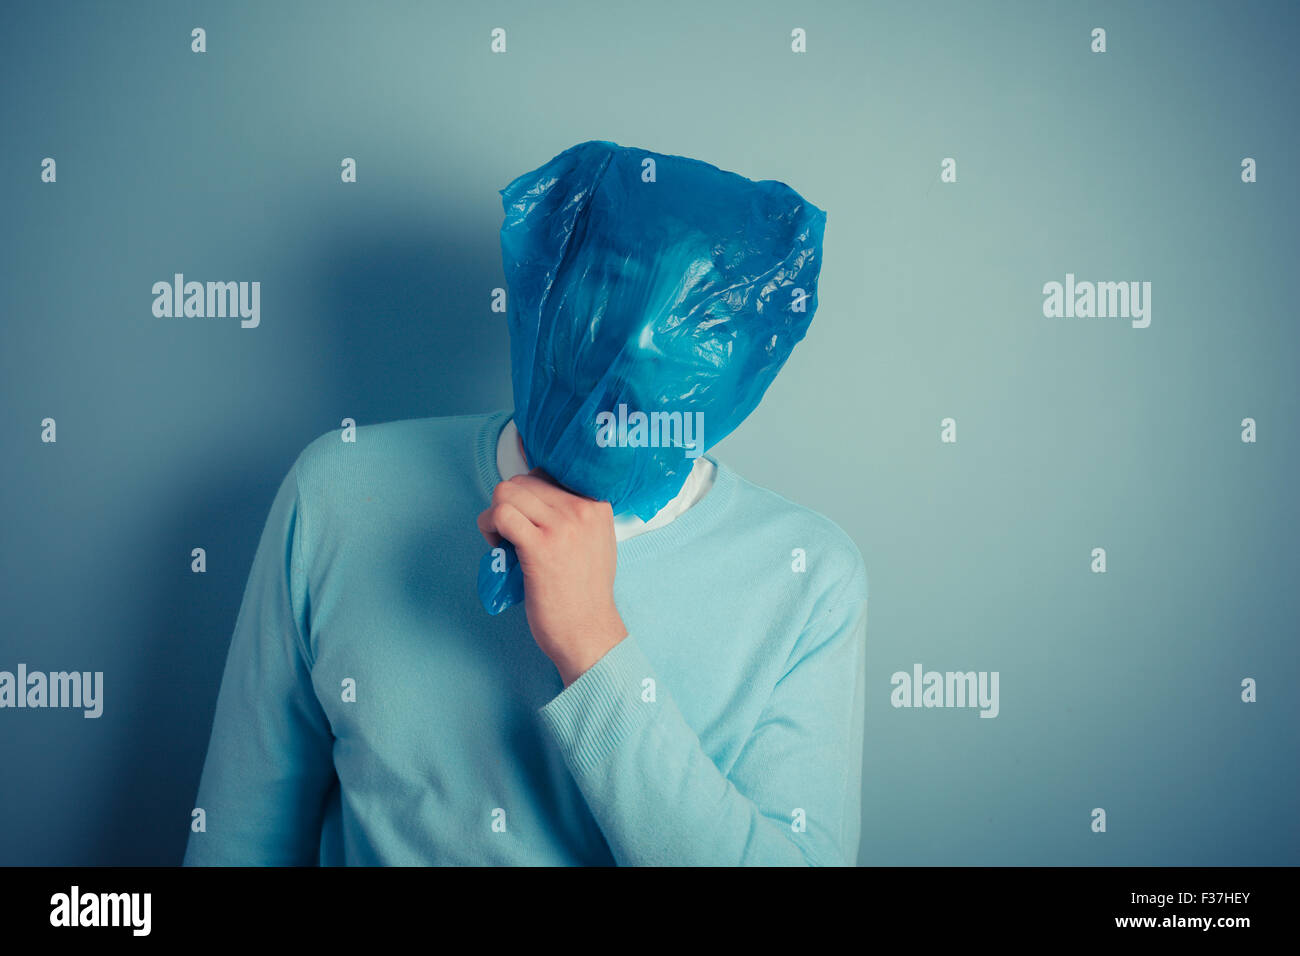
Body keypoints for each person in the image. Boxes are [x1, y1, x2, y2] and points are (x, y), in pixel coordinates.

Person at [183, 143, 869, 866]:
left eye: (700, 320)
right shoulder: (337, 491)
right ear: (545, 289)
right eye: (610, 283)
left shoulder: (805, 576)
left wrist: (593, 648)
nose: (637, 341)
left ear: (749, 357)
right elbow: (239, 838)